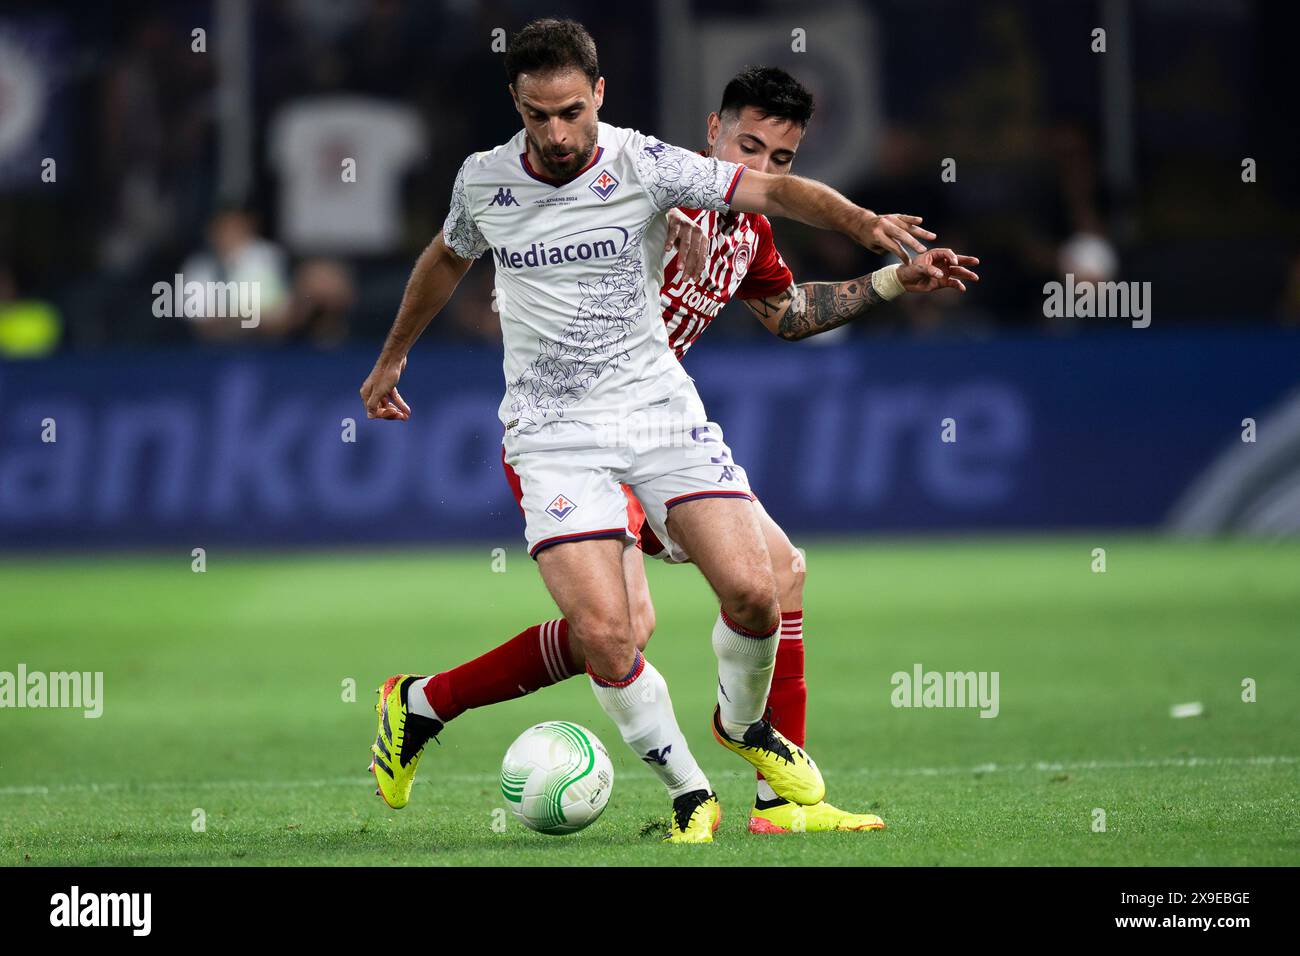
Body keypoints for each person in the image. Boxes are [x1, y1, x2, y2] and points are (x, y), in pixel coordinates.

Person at [360, 19, 952, 843]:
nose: (760, 169)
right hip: (563, 432)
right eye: (748, 147)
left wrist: (887, 274)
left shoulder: (744, 228)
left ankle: (776, 800)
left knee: (771, 579)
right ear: (713, 134)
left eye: (780, 158)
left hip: (657, 425)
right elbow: (456, 254)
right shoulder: (664, 185)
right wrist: (395, 357)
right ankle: (705, 791)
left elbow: (788, 314)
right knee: (619, 632)